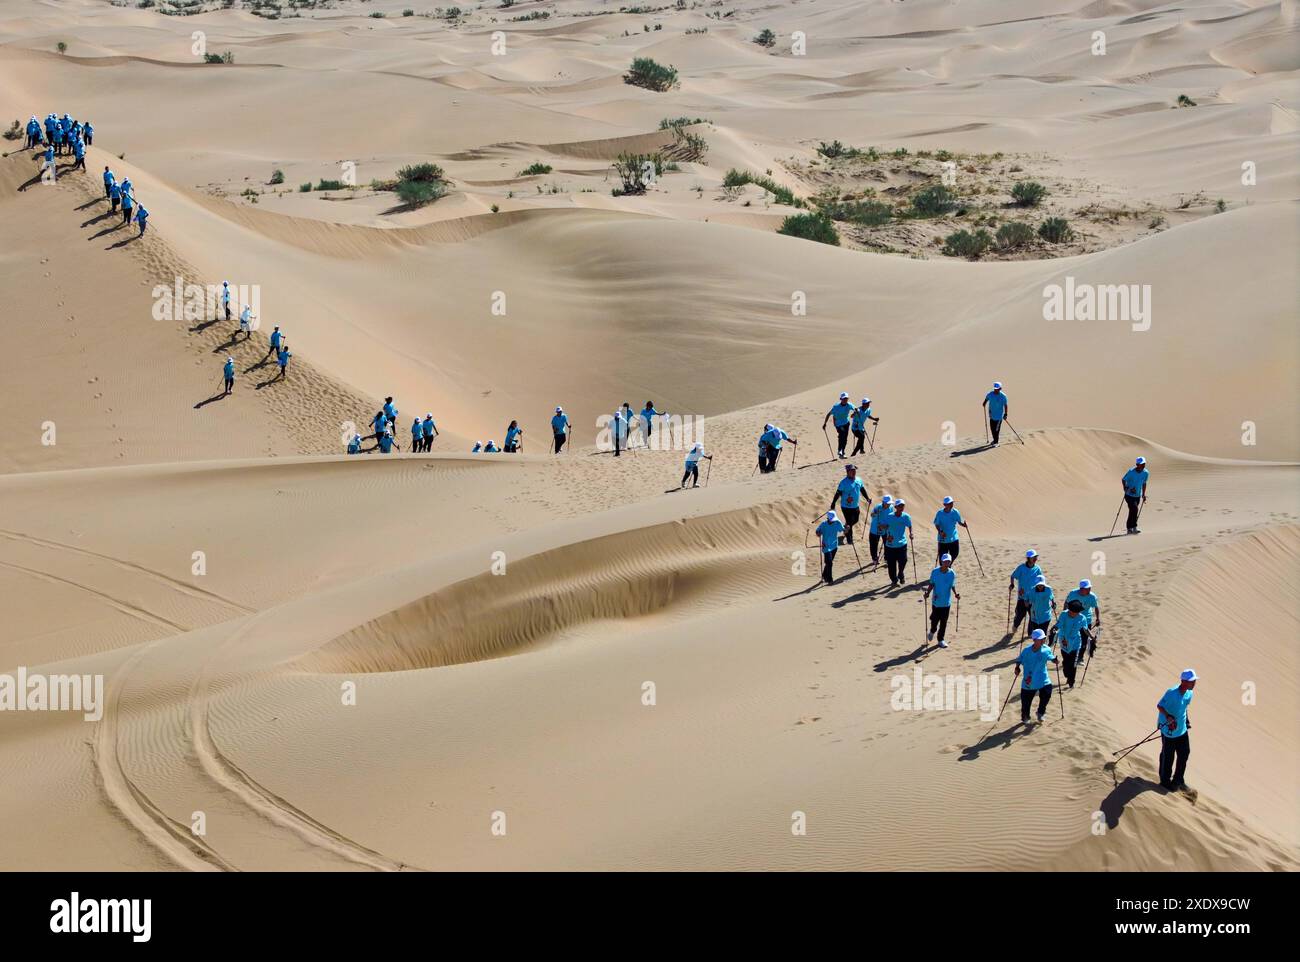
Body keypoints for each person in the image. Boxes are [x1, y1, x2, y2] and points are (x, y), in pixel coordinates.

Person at [1156, 669, 1196, 790]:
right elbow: (1160, 706)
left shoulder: (1189, 693)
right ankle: (1165, 781)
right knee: (1168, 757)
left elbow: (1184, 708)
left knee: (1184, 754)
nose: (1194, 683)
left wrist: (1186, 721)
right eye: (1191, 681)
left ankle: (1178, 780)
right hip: (1169, 731)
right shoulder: (1171, 693)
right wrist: (1168, 717)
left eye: (1194, 681)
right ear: (1183, 681)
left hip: (1182, 729)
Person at [1014, 629, 1056, 723]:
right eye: (1040, 639)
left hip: (1043, 679)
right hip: (1029, 681)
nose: (1043, 640)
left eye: (1044, 638)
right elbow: (1019, 660)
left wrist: (1055, 660)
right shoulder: (1026, 651)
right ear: (1034, 640)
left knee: (1047, 694)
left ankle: (1040, 713)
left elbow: (1051, 657)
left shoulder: (1046, 649)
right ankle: (1025, 717)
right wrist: (1017, 668)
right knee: (1026, 704)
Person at [923, 553, 959, 647]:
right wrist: (927, 593)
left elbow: (952, 585)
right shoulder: (935, 572)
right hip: (936, 601)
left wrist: (956, 594)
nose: (947, 563)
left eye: (948, 561)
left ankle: (940, 639)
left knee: (944, 622)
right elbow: (932, 584)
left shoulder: (952, 574)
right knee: (935, 621)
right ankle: (932, 631)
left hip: (946, 603)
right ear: (941, 562)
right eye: (945, 561)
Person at [1053, 600, 1090, 688]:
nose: (1074, 614)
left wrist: (1092, 637)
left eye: (1077, 612)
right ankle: (1067, 675)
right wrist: (1054, 628)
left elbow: (1085, 629)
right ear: (1069, 610)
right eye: (1073, 612)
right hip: (1064, 642)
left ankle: (1071, 682)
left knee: (1073, 664)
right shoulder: (1064, 614)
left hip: (1075, 643)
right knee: (1066, 663)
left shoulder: (1082, 618)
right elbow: (1058, 624)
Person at [829, 463, 869, 544]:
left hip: (855, 506)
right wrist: (833, 503)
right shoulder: (843, 482)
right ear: (847, 472)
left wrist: (867, 498)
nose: (854, 472)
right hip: (846, 507)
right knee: (850, 522)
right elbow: (838, 493)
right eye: (851, 471)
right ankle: (849, 539)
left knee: (856, 520)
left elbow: (862, 489)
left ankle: (846, 528)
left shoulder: (859, 480)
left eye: (854, 470)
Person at [1009, 549, 1043, 634]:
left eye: (1036, 557)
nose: (1035, 558)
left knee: (1032, 616)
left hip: (1033, 597)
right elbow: (1013, 576)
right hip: (1022, 597)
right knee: (1020, 615)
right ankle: (1015, 626)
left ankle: (1030, 633)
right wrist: (1012, 584)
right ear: (1028, 558)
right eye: (1033, 557)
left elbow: (1041, 580)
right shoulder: (1021, 568)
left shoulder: (1038, 568)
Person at [1065, 580, 1101, 657]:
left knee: (1084, 640)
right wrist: (1065, 615)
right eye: (1087, 588)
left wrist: (1098, 618)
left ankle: (1080, 657)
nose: (1089, 589)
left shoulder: (1092, 596)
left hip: (1086, 620)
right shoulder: (1073, 594)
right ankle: (1072, 655)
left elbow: (1096, 607)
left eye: (1089, 588)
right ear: (1081, 589)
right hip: (1073, 619)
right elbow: (1067, 603)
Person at [883, 498, 913, 587]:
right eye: (899, 506)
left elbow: (909, 525)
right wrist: (882, 527)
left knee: (903, 561)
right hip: (890, 545)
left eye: (903, 505)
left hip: (902, 544)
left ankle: (901, 573)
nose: (901, 507)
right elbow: (884, 526)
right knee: (891, 565)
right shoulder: (889, 516)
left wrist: (911, 533)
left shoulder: (906, 516)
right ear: (895, 507)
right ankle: (894, 580)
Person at [933, 496, 968, 563]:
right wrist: (940, 532)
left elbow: (959, 522)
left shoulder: (955, 512)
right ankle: (945, 567)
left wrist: (964, 525)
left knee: (955, 554)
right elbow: (936, 524)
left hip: (953, 538)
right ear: (944, 505)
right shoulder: (940, 513)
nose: (951, 505)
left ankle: (948, 566)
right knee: (942, 560)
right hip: (943, 540)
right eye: (949, 503)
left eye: (952, 503)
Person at [814, 510, 846, 585]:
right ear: (828, 518)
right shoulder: (823, 524)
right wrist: (818, 533)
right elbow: (818, 532)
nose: (833, 521)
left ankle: (824, 575)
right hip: (826, 546)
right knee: (829, 563)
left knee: (829, 563)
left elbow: (843, 530)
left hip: (834, 545)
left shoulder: (837, 523)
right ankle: (829, 579)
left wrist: (847, 529)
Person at [1122, 456, 1149, 534]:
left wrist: (1143, 494)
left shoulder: (1146, 473)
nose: (1143, 465)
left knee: (1133, 511)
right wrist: (1125, 487)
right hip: (1129, 495)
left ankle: (1131, 528)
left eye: (1144, 463)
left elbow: (1144, 483)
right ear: (1137, 464)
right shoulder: (1131, 472)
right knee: (1134, 509)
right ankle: (1132, 527)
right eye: (1141, 464)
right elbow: (1124, 479)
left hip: (1137, 495)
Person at [822, 391, 854, 459]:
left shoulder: (849, 405)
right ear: (841, 399)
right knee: (842, 434)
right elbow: (828, 414)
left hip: (846, 423)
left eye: (846, 398)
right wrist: (825, 423)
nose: (845, 400)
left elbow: (855, 408)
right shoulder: (836, 407)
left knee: (845, 438)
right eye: (844, 398)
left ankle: (842, 452)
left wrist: (856, 411)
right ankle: (840, 450)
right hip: (838, 424)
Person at [868, 494, 892, 566]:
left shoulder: (891, 507)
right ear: (883, 502)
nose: (888, 504)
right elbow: (872, 514)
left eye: (889, 503)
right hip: (875, 529)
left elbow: (891, 517)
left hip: (885, 529)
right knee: (874, 545)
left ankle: (887, 558)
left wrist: (888, 526)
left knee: (887, 545)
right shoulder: (878, 507)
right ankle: (874, 559)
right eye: (887, 503)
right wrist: (875, 513)